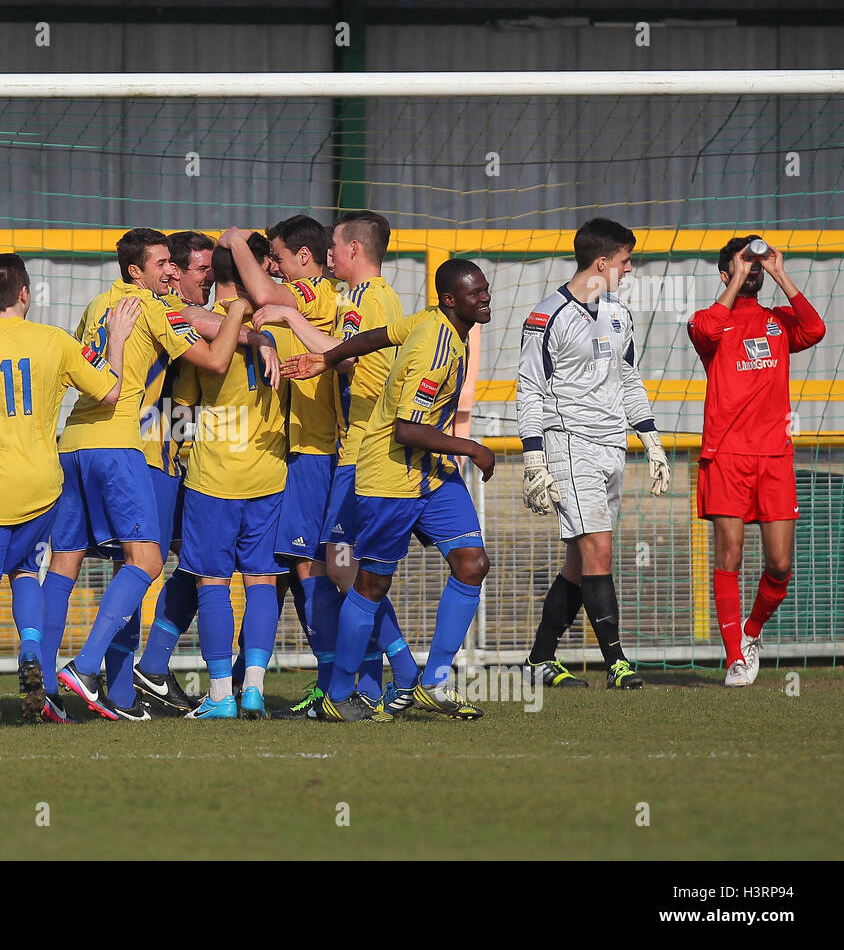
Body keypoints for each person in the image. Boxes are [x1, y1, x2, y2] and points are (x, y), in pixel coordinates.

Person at [41, 229, 244, 721]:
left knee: (65, 565)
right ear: (137, 271)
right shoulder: (153, 308)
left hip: (75, 443)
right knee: (145, 563)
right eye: (162, 263)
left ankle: (46, 686)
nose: (171, 271)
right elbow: (216, 359)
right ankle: (91, 673)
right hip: (125, 445)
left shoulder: (96, 306)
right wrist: (240, 306)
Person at [283, 260, 494, 721]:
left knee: (472, 563)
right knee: (371, 582)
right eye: (476, 292)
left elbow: (376, 337)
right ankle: (339, 696)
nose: (486, 298)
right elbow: (405, 429)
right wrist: (473, 448)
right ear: (450, 300)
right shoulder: (434, 352)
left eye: (485, 290)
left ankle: (433, 682)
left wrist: (326, 357)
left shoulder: (429, 321)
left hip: (432, 472)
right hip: (392, 472)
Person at [0, 253, 136, 728]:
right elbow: (110, 390)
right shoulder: (55, 341)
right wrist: (119, 339)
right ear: (26, 293)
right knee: (26, 573)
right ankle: (30, 651)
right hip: (44, 487)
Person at [252, 210, 402, 714]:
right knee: (347, 568)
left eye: (335, 248)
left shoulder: (368, 298)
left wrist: (296, 323)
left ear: (353, 250)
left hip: (357, 452)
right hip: (347, 449)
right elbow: (345, 354)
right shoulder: (357, 299)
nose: (330, 255)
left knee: (343, 568)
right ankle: (377, 679)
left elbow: (350, 353)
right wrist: (319, 359)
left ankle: (384, 676)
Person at [517, 217, 671, 690]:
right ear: (602, 263)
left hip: (612, 447)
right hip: (569, 445)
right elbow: (529, 390)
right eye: (626, 261)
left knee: (579, 565)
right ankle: (618, 663)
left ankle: (541, 659)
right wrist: (533, 461)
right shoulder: (547, 316)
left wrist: (652, 441)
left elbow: (627, 379)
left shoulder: (620, 314)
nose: (630, 269)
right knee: (599, 550)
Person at [687, 236, 825, 686]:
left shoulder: (777, 322)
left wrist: (781, 272)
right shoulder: (711, 321)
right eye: (744, 264)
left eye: (758, 264)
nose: (755, 269)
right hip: (726, 455)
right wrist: (739, 276)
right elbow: (704, 330)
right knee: (730, 554)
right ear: (726, 274)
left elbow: (816, 329)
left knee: (781, 564)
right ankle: (734, 659)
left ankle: (751, 631)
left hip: (774, 456)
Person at [221, 215, 342, 719]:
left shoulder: (316, 292)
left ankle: (340, 679)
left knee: (318, 566)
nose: (274, 266)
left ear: (303, 259)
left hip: (314, 454)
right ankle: (241, 680)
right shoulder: (298, 299)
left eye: (280, 256)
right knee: (289, 570)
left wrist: (233, 240)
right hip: (289, 456)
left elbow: (264, 291)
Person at [176, 245, 304, 720]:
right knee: (261, 583)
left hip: (213, 476)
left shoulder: (205, 326)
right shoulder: (284, 326)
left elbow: (183, 409)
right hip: (270, 473)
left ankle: (219, 695)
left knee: (212, 582)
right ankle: (253, 688)